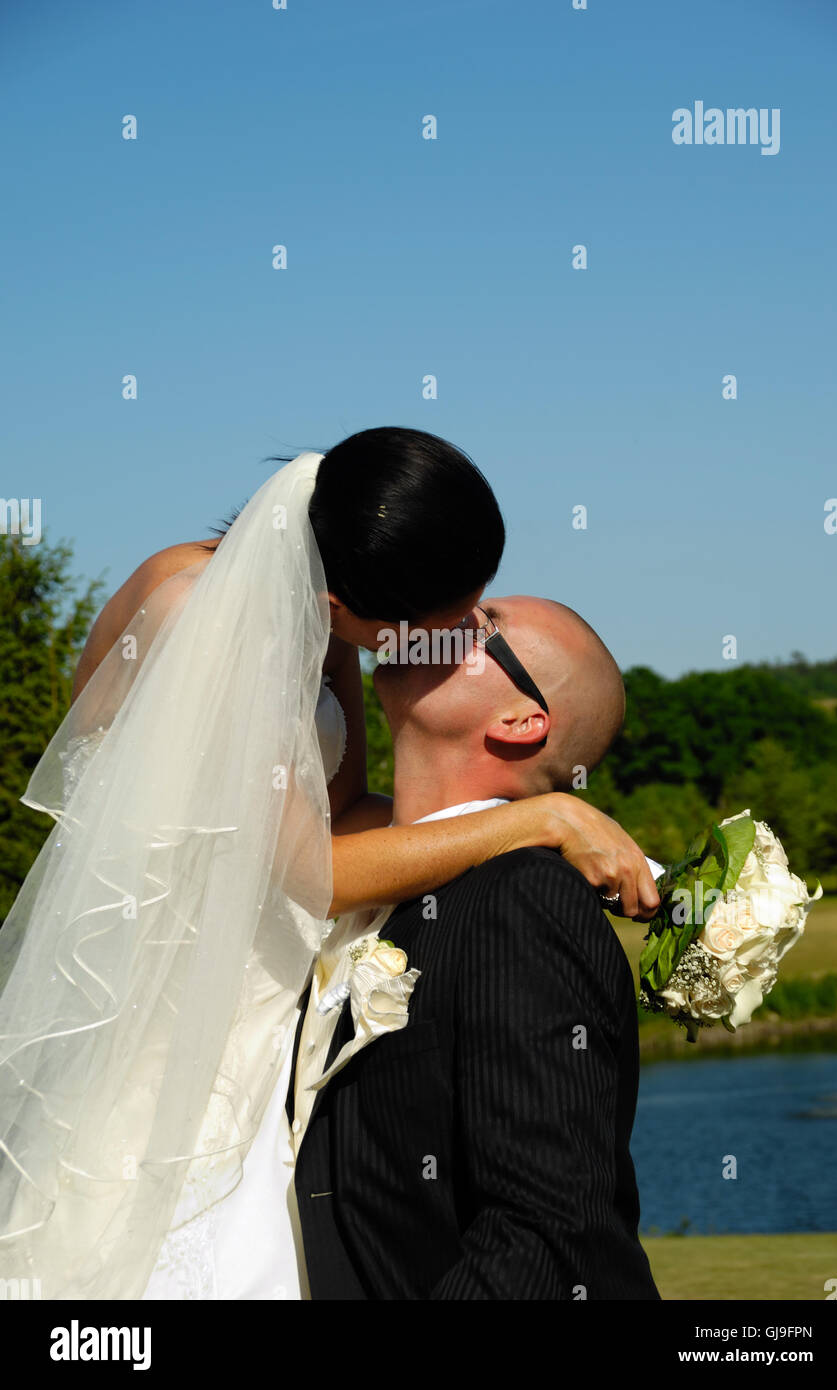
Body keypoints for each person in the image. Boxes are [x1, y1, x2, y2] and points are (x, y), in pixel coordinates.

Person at [0, 428, 657, 1300]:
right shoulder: (195, 607)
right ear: (348, 596)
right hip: (177, 1010)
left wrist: (489, 826)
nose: (445, 635)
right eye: (443, 618)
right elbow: (313, 872)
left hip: (271, 1001)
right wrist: (537, 817)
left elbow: (338, 812)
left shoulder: (319, 617)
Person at [290, 596, 660, 1299]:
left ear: (520, 721)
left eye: (480, 621)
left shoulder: (523, 899)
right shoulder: (359, 874)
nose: (436, 613)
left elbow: (546, 1236)